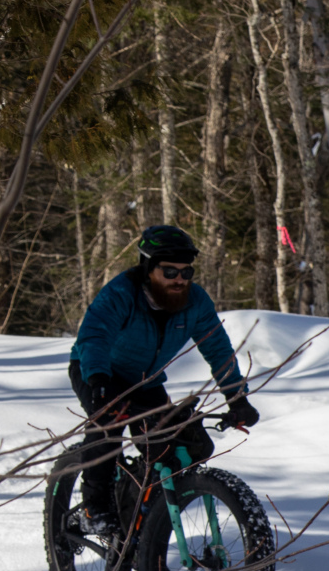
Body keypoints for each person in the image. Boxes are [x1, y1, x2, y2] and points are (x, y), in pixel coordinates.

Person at [68, 225, 258, 531]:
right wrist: (99, 381)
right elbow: (94, 336)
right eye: (170, 271)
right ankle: (94, 510)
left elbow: (218, 350)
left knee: (171, 447)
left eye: (186, 272)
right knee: (107, 430)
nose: (179, 279)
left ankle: (140, 521)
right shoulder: (121, 293)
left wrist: (237, 397)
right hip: (99, 372)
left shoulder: (195, 302)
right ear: (148, 268)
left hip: (147, 381)